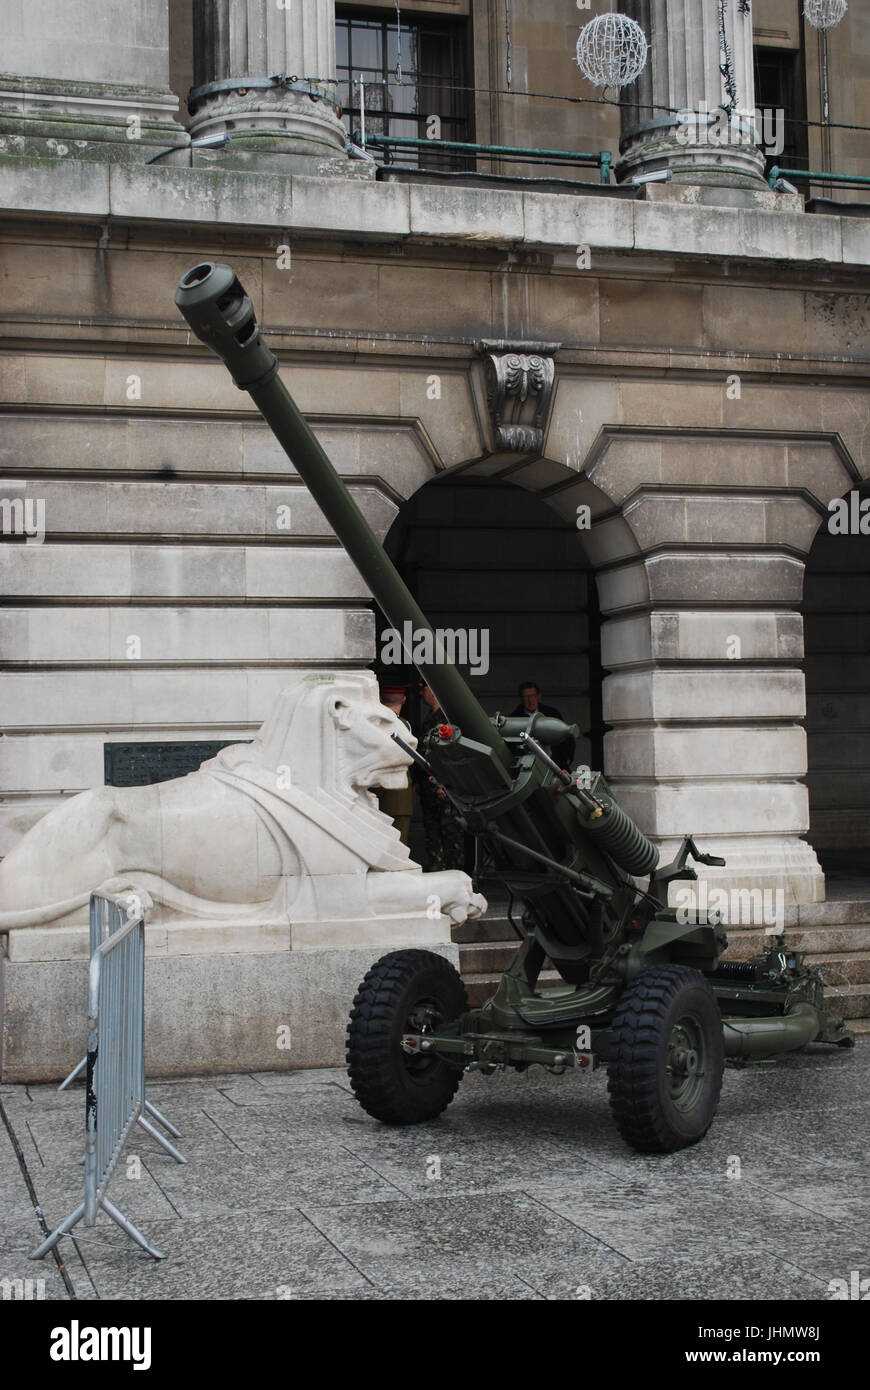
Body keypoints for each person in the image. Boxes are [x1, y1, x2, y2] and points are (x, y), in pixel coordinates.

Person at [412, 682, 465, 872]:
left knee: (451, 835)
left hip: (445, 788)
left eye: (423, 688)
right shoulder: (430, 718)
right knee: (433, 834)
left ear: (433, 691)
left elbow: (452, 755)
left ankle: (455, 874)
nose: (421, 693)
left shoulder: (447, 718)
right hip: (429, 786)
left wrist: (445, 783)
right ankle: (438, 872)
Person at [375, 683, 414, 845]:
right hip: (400, 796)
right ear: (404, 700)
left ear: (380, 700)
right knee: (398, 846)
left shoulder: (375, 723)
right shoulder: (404, 725)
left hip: (378, 792)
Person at [510, 680, 575, 771]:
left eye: (533, 696)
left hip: (556, 765)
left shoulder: (552, 714)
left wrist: (565, 759)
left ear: (539, 697)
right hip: (527, 768)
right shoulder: (514, 719)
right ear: (521, 699)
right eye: (526, 697)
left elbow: (567, 739)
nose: (530, 700)